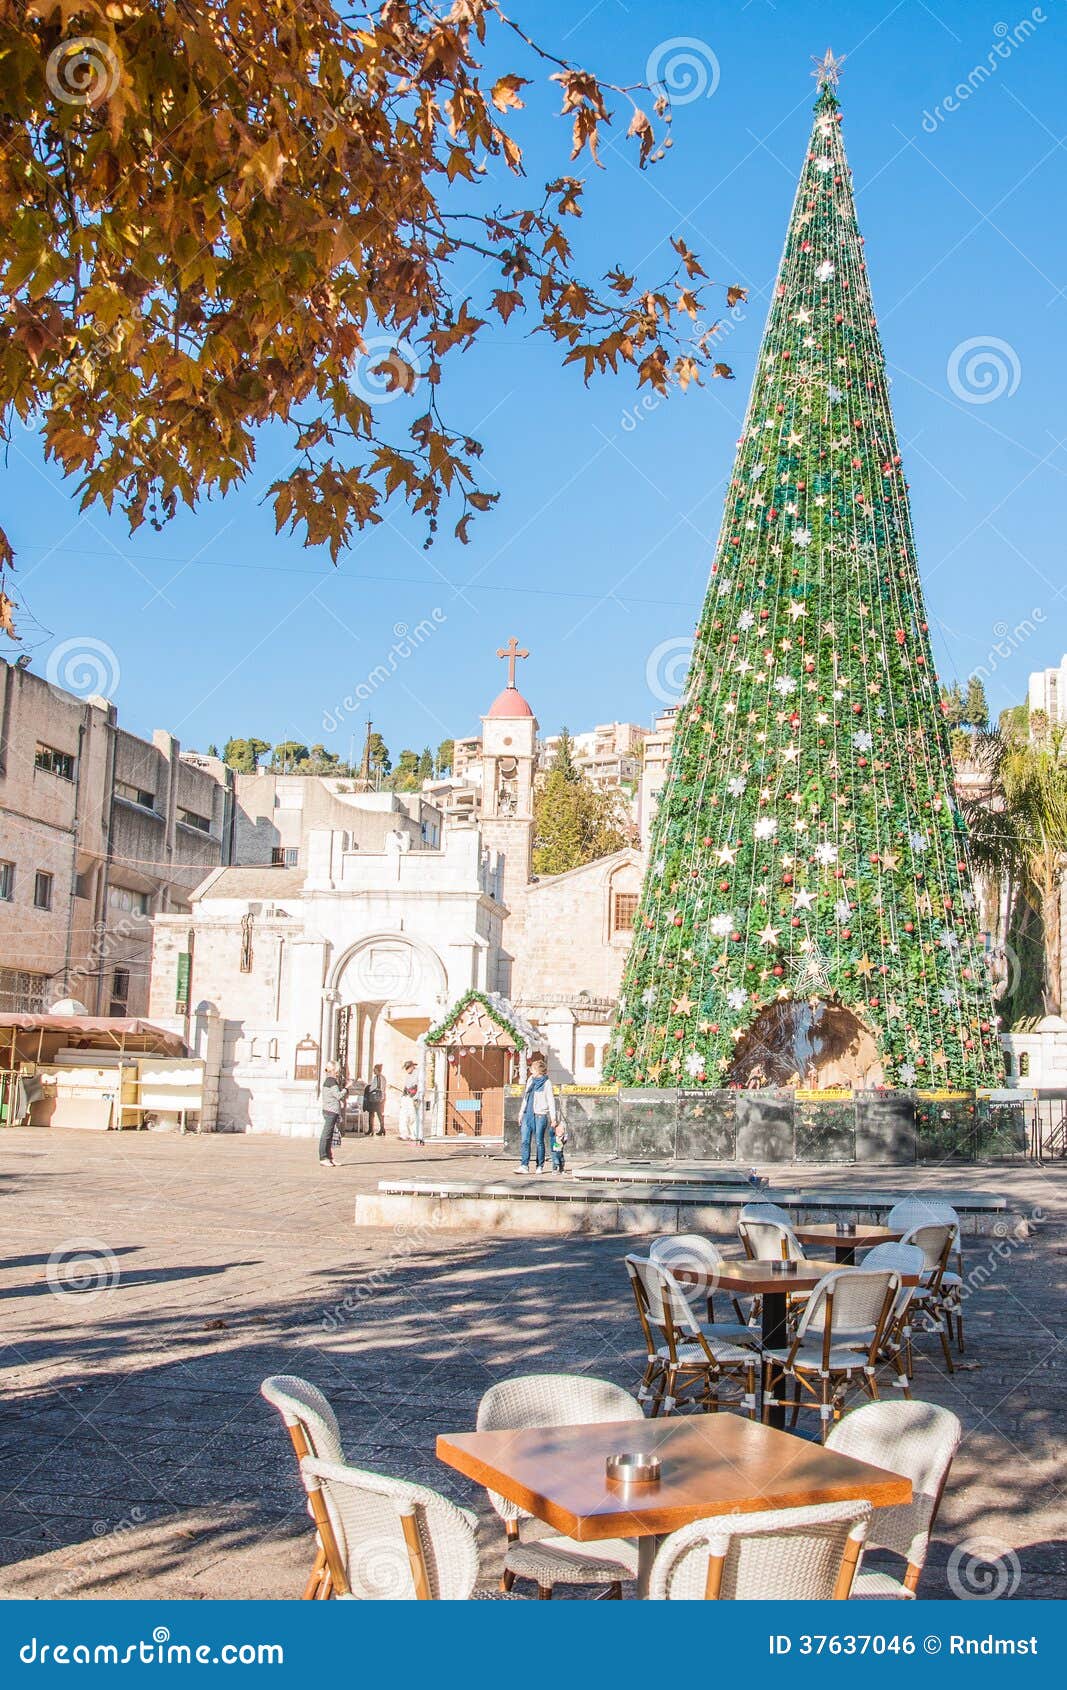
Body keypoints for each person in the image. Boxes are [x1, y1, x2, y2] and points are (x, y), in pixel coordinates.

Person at [516, 1054, 557, 1174]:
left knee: (539, 1140)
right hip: (528, 1114)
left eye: (533, 1068)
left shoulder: (546, 1083)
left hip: (540, 1115)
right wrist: (520, 1113)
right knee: (525, 1140)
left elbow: (551, 1100)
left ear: (538, 1070)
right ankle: (524, 1165)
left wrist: (553, 1117)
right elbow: (526, 1097)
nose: (531, 1070)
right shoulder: (530, 1080)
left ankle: (540, 1165)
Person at [318, 1063, 346, 1167]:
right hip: (331, 1111)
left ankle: (329, 1157)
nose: (339, 1073)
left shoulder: (328, 1080)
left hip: (329, 1110)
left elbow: (331, 1095)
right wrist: (346, 1089)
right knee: (326, 1135)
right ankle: (323, 1157)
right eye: (338, 1070)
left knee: (329, 1135)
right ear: (334, 1070)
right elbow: (338, 1095)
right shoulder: (331, 1081)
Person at [397, 1060, 423, 1146]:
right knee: (403, 1116)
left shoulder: (418, 1073)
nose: (407, 1070)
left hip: (413, 1097)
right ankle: (404, 1134)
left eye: (407, 1068)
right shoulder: (408, 1075)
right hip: (406, 1097)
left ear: (411, 1066)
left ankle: (414, 1135)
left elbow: (419, 1085)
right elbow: (406, 1086)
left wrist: (416, 1096)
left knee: (413, 1117)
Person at [364, 1064, 386, 1136]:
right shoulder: (382, 1078)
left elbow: (373, 1087)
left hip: (375, 1098)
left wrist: (368, 1088)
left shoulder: (377, 1078)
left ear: (377, 1070)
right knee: (378, 1114)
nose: (374, 1070)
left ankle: (372, 1130)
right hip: (379, 1098)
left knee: (372, 1114)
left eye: (375, 1069)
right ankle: (381, 1129)